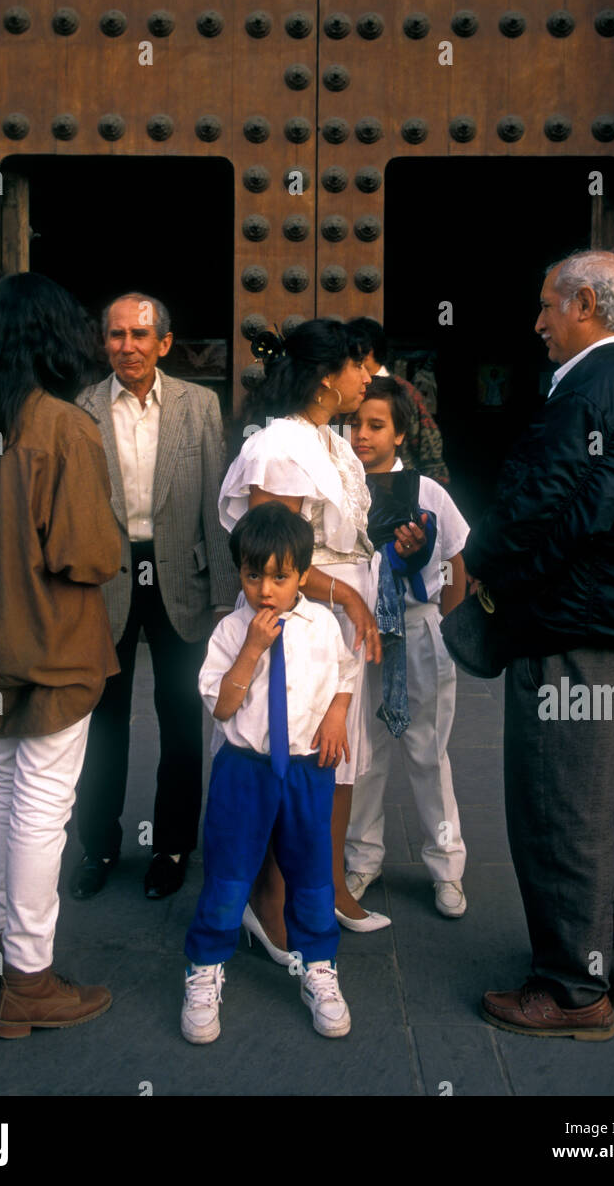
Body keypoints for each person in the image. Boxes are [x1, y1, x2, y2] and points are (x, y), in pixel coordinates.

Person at [463, 250, 614, 1041]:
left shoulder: (591, 387)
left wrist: (482, 566)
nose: (538, 324)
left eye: (546, 308)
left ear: (586, 303)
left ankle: (570, 991)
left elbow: (543, 511)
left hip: (576, 635)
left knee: (562, 809)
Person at [0, 272, 122, 1038]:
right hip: (51, 649)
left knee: (5, 790)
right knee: (42, 806)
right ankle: (29, 981)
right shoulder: (63, 427)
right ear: (55, 338)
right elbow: (90, 555)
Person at [219, 319, 391, 947]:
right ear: (326, 376)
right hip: (296, 618)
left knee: (338, 753)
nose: (367, 376)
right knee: (283, 749)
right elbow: (271, 558)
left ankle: (328, 883)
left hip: (343, 621)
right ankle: (269, 896)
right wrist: (344, 593)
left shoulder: (334, 443)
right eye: (357, 365)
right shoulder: (277, 448)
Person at [69, 293, 236, 902]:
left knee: (179, 723)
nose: (127, 347)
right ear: (104, 342)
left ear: (164, 343)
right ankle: (100, 846)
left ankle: (171, 847)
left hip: (180, 581)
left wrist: (223, 596)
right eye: (116, 335)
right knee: (103, 723)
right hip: (106, 580)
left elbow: (216, 507)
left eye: (140, 335)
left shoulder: (199, 406)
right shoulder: (82, 408)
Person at [181, 503, 359, 1043]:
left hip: (308, 771)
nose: (265, 589)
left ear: (303, 575)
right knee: (229, 872)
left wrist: (335, 714)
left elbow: (345, 671)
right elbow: (222, 706)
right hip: (245, 771)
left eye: (280, 577)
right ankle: (205, 967)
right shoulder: (233, 631)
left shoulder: (323, 626)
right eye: (253, 575)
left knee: (311, 873)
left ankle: (319, 968)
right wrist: (253, 649)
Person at [345, 377, 471, 917]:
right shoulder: (339, 487)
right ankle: (361, 859)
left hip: (419, 631)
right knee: (362, 752)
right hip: (356, 633)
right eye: (355, 423)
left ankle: (446, 868)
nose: (362, 435)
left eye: (376, 425)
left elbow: (457, 566)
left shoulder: (427, 492)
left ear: (399, 433)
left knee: (426, 750)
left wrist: (447, 632)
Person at [346, 316, 450, 485]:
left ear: (368, 353)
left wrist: (425, 495)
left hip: (399, 490)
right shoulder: (344, 393)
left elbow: (430, 451)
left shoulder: (406, 393)